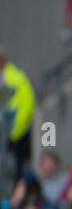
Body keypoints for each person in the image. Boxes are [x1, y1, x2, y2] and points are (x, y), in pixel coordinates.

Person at [0, 47, 35, 181]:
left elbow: (27, 105)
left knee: (15, 170)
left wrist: (16, 131)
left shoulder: (16, 78)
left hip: (14, 131)